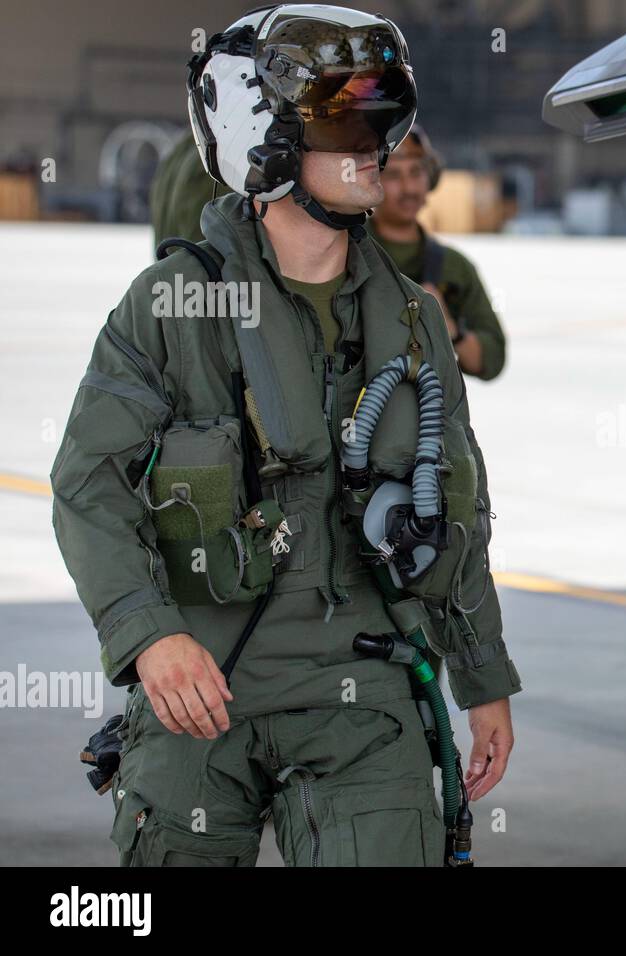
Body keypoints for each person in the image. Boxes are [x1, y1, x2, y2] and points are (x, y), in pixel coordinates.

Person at [51, 4, 520, 867]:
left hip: (364, 695)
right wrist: (149, 635)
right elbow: (89, 486)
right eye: (346, 121)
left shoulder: (415, 321)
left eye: (384, 119)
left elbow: (458, 509)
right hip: (200, 687)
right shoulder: (171, 309)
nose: (376, 146)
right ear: (260, 142)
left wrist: (483, 677)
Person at [368, 126, 507, 381]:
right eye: (394, 175)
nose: (409, 187)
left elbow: (492, 359)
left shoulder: (452, 267)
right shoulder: (346, 252)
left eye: (416, 172)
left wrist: (450, 328)